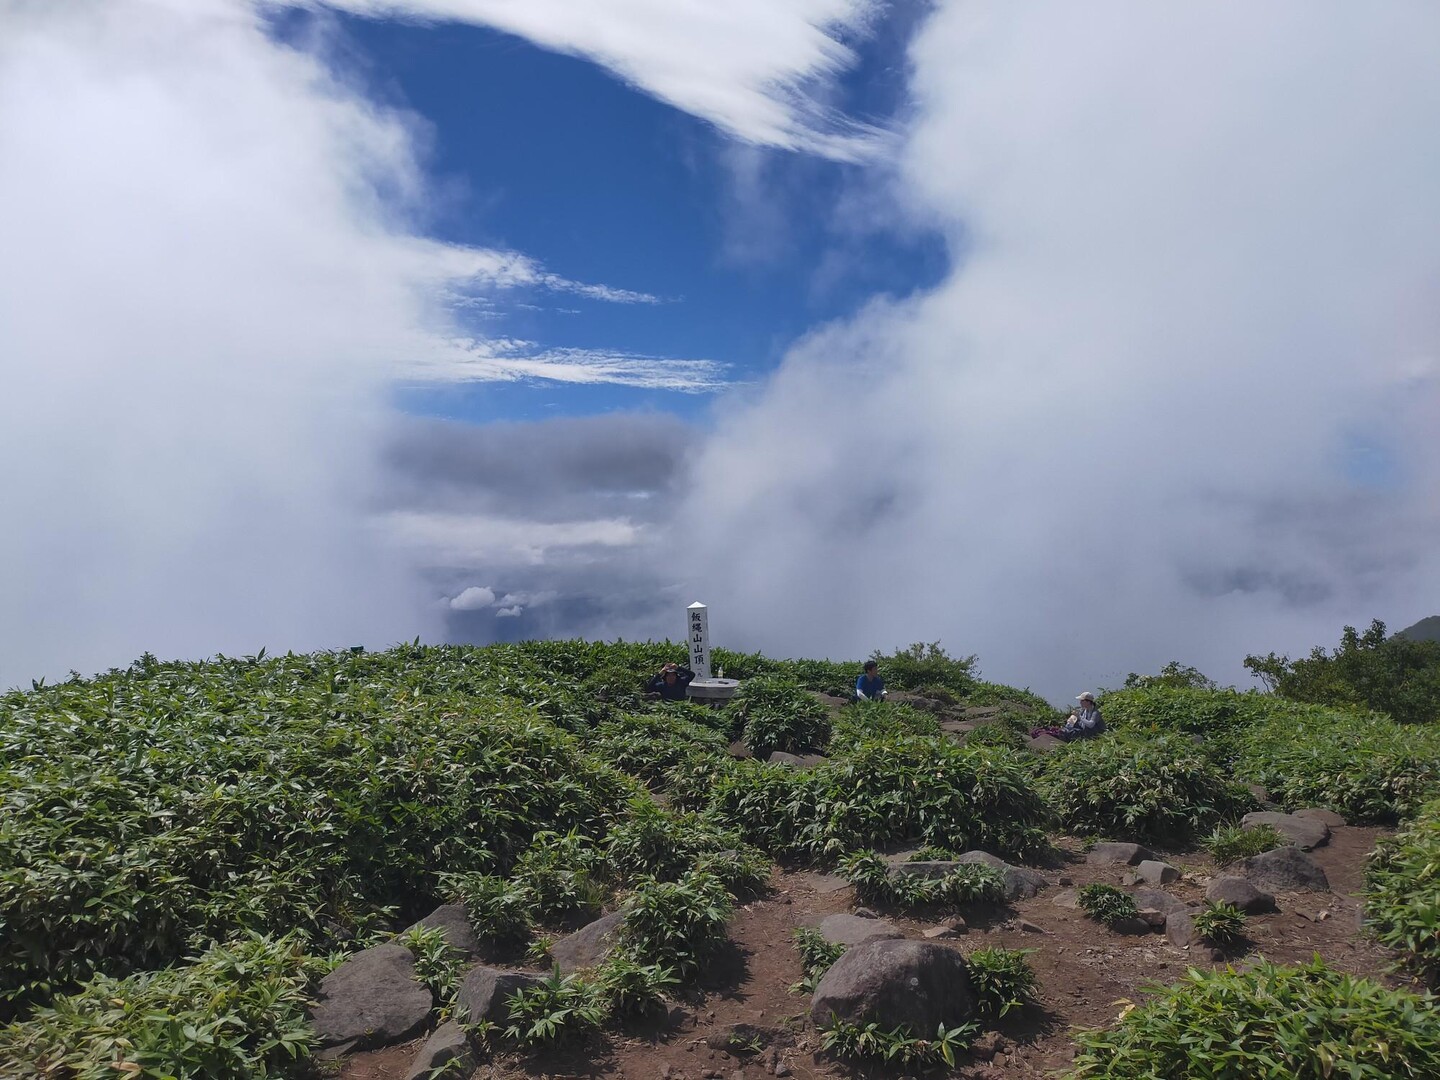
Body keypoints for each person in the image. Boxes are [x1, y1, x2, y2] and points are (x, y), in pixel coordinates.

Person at [1031, 692, 1105, 741]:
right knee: (1069, 726)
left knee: (1072, 732)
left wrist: (1079, 717)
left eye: (1082, 701)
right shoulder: (1084, 710)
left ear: (1088, 702)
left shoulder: (1095, 713)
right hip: (1083, 730)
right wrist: (1071, 721)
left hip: (1092, 734)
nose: (1080, 702)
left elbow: (1091, 725)